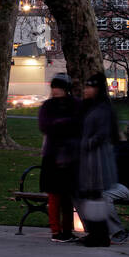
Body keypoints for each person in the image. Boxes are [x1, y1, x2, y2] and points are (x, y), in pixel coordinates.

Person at [74, 71, 119, 247]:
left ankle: (99, 235)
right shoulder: (91, 107)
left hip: (97, 160)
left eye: (89, 87)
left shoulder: (102, 110)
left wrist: (86, 143)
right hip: (90, 158)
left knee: (94, 196)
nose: (86, 90)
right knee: (91, 196)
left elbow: (102, 134)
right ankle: (95, 233)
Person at [38, 73, 80, 242]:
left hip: (68, 154)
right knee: (55, 195)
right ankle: (57, 230)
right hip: (54, 154)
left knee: (66, 195)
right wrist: (64, 124)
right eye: (54, 87)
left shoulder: (74, 105)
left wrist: (59, 124)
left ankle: (66, 229)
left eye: (59, 87)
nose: (55, 91)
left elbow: (77, 124)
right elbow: (45, 126)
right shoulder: (48, 106)